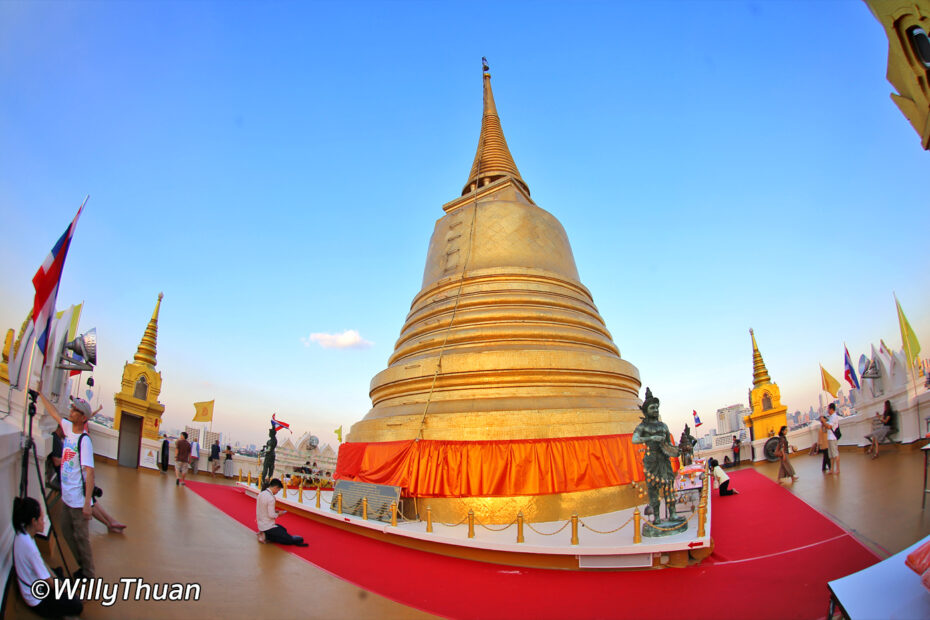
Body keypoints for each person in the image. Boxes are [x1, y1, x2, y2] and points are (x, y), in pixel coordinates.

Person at [37, 391, 96, 579]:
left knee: (81, 539)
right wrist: (40, 393)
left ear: (83, 417)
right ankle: (82, 568)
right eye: (72, 407)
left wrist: (87, 503)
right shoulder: (69, 429)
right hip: (67, 495)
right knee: (66, 530)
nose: (71, 411)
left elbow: (90, 472)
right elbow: (54, 413)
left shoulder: (84, 441)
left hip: (78, 500)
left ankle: (89, 575)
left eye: (75, 409)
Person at [12, 496, 83, 618]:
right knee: (77, 605)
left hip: (34, 586)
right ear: (33, 521)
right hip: (37, 599)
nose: (44, 521)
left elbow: (43, 565)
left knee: (59, 575)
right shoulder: (29, 547)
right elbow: (50, 583)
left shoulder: (23, 532)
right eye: (41, 518)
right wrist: (68, 592)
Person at [48, 426, 125, 532]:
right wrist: (71, 458)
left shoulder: (59, 440)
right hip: (67, 479)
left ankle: (110, 521)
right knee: (86, 498)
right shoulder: (55, 440)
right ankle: (109, 523)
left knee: (90, 495)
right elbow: (56, 461)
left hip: (70, 476)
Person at [255, 478, 308, 546]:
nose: (277, 492)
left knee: (283, 529)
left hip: (261, 524)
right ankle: (266, 536)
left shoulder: (261, 494)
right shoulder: (271, 498)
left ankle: (265, 533)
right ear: (275, 488)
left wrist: (275, 511)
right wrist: (278, 514)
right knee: (289, 540)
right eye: (278, 490)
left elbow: (262, 509)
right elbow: (271, 515)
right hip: (268, 526)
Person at [825, 403, 841, 475]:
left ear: (831, 409)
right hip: (830, 438)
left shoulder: (834, 417)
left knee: (835, 454)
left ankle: (837, 469)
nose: (828, 410)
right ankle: (831, 469)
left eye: (828, 409)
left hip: (832, 438)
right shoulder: (831, 417)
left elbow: (829, 427)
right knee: (831, 455)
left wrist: (823, 421)